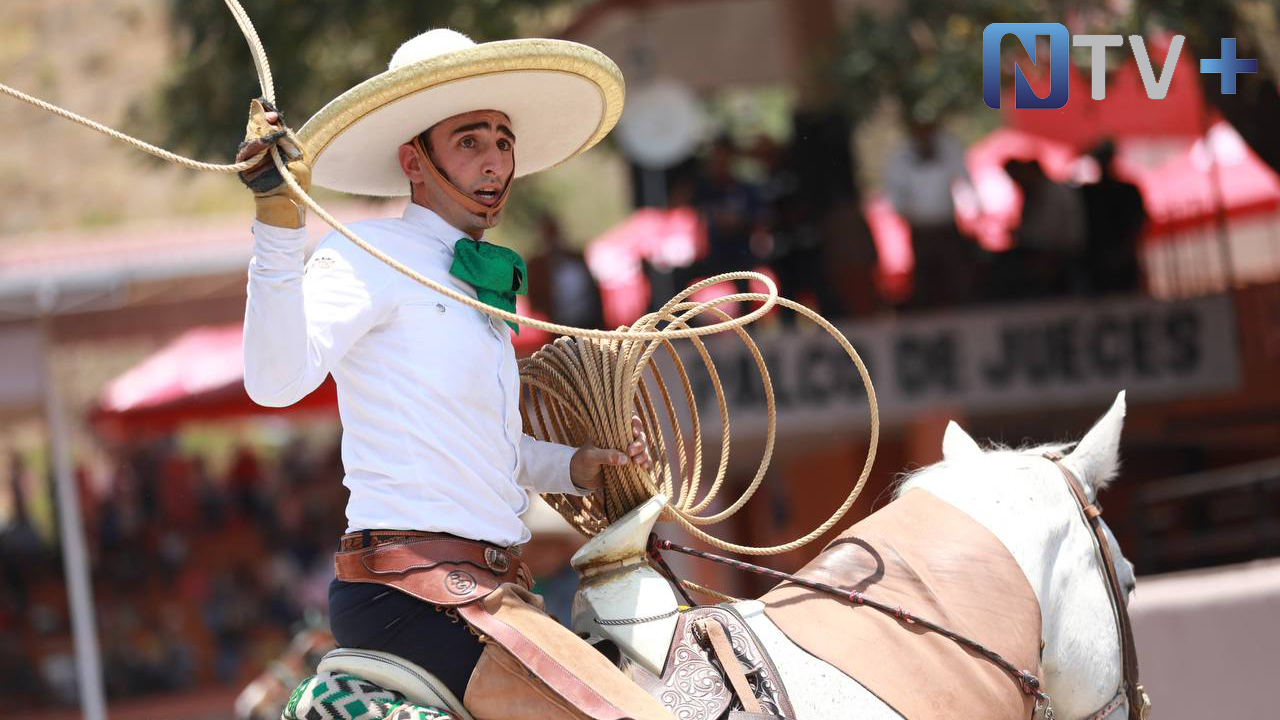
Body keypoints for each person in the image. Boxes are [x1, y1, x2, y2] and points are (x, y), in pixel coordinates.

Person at [234, 29, 649, 707]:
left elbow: (479, 445)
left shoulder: (475, 283)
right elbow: (275, 381)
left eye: (503, 141)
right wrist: (278, 224)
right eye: (469, 141)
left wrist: (576, 465)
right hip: (410, 593)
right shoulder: (370, 252)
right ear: (414, 159)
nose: (495, 161)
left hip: (488, 588)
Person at [883, 119, 980, 308]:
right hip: (921, 229)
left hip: (947, 226)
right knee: (925, 279)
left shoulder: (949, 148)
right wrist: (904, 215)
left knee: (956, 275)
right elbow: (895, 193)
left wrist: (974, 212)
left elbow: (964, 180)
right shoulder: (900, 156)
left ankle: (963, 307)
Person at [1081, 140, 1146, 294]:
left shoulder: (1127, 190)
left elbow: (1137, 223)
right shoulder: (1089, 194)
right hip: (1099, 261)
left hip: (1120, 258)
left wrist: (1123, 250)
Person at [525, 213, 605, 329]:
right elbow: (534, 304)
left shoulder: (576, 258)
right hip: (560, 327)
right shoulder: (537, 267)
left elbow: (595, 292)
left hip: (589, 322)